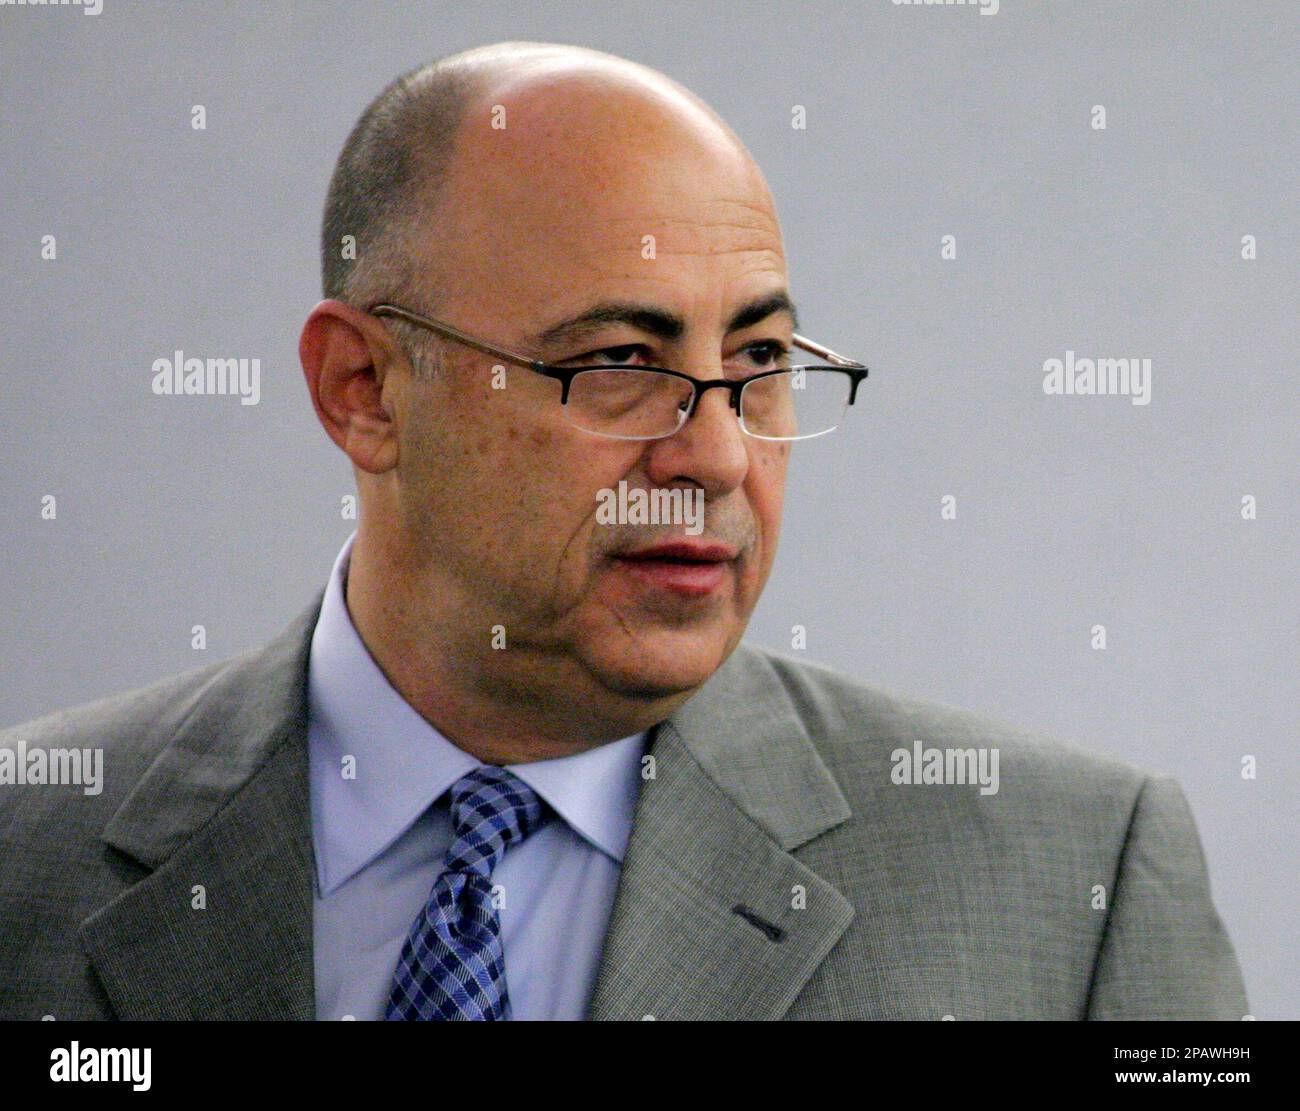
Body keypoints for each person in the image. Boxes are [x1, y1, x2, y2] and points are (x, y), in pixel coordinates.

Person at [0, 41, 1247, 1020]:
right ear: (364, 390)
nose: (714, 454)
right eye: (617, 362)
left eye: (758, 359)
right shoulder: (28, 852)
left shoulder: (1071, 890)